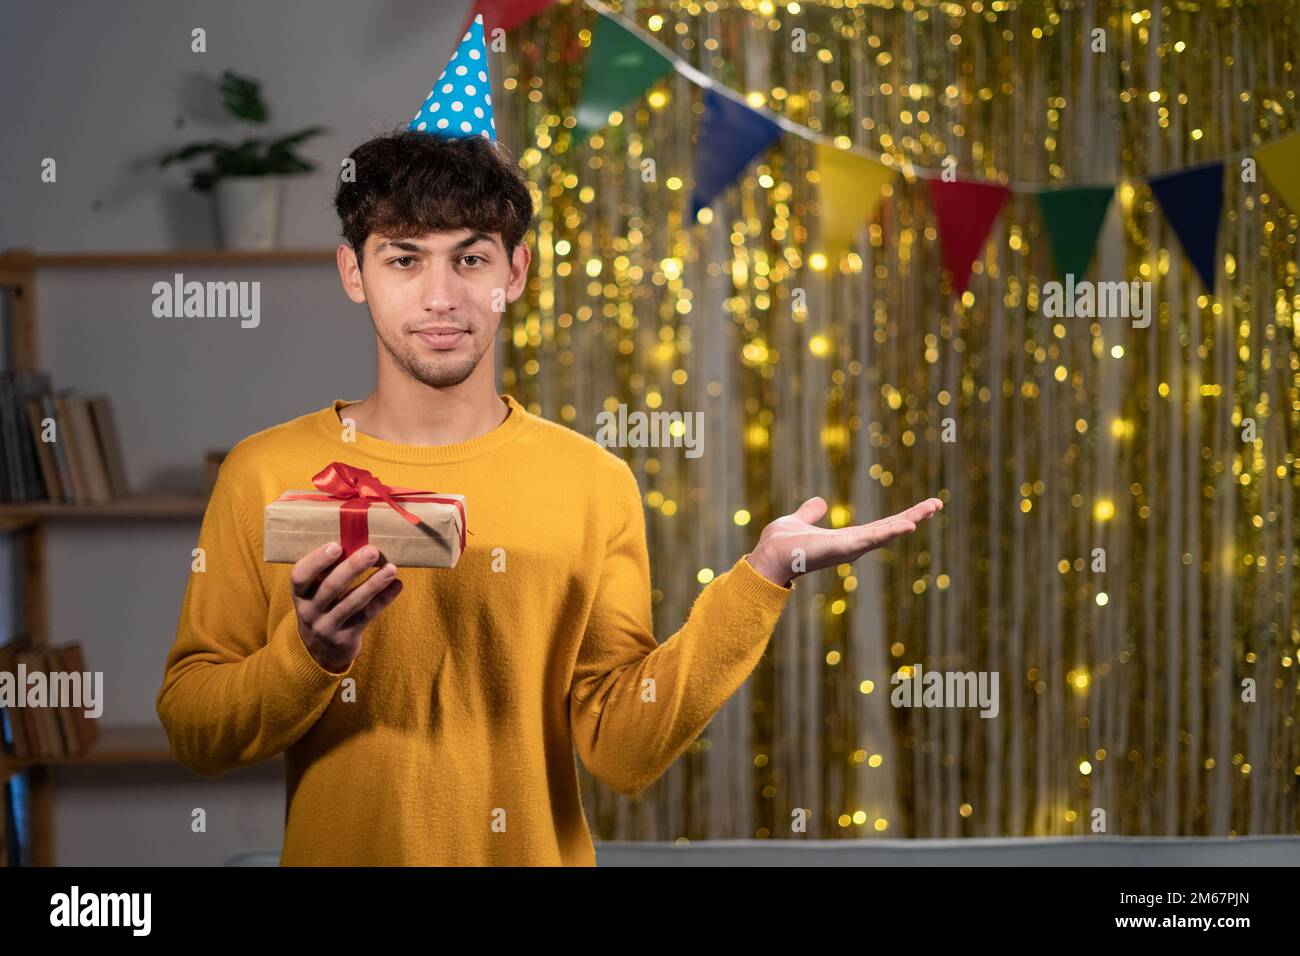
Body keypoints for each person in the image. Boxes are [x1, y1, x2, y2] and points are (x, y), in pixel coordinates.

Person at [155, 128, 942, 865]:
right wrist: (310, 657)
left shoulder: (591, 481)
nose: (440, 297)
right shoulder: (263, 471)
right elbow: (196, 730)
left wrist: (761, 580)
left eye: (470, 260)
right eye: (403, 260)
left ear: (516, 273)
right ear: (353, 274)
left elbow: (621, 752)